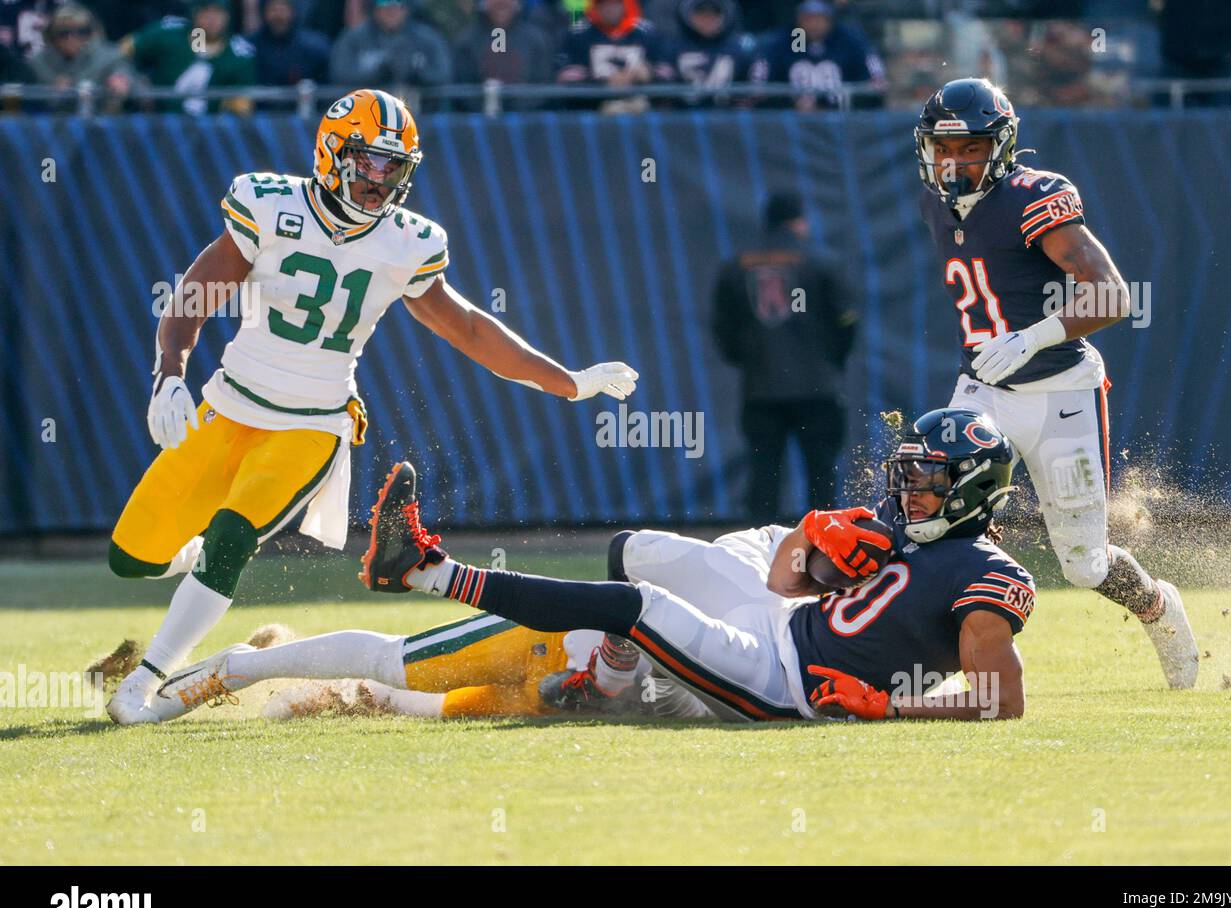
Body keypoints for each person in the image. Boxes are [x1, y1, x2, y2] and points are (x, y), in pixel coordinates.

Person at [104, 88, 639, 725]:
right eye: (369, 160)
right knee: (131, 559)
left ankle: (148, 679)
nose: (380, 179)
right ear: (332, 153)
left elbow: (469, 328)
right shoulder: (270, 206)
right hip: (229, 405)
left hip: (312, 423)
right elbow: (197, 290)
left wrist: (568, 382)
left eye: (394, 166)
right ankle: (181, 558)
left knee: (232, 537)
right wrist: (169, 375)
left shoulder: (406, 243)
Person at [146, 409, 1035, 725]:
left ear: (973, 492)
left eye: (926, 482)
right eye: (907, 477)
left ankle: (426, 573)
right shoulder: (900, 533)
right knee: (641, 552)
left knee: (633, 601)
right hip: (775, 627)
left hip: (785, 680)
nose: (907, 492)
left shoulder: (979, 577)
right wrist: (811, 548)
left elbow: (1003, 700)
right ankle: (605, 679)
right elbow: (784, 579)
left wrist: (888, 708)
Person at [913, 77, 1198, 689]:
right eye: (945, 146)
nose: (955, 161)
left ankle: (1157, 607)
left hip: (1060, 389)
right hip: (982, 393)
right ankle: (936, 668)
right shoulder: (934, 199)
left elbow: (1112, 294)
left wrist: (1032, 336)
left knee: (1084, 562)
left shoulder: (1031, 197)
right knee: (937, 528)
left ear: (1002, 147)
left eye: (971, 148)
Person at [712, 190, 858, 523]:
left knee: (763, 478)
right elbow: (848, 322)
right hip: (818, 389)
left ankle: (759, 550)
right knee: (822, 478)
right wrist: (831, 362)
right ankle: (823, 552)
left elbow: (722, 329)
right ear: (799, 222)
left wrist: (748, 360)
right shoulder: (822, 262)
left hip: (760, 389)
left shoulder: (735, 266)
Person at [121, 0, 257, 115]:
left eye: (218, 12)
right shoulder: (169, 32)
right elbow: (122, 50)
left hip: (211, 133)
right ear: (195, 12)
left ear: (228, 16)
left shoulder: (239, 53)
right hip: (159, 122)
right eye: (206, 11)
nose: (212, 19)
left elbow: (241, 109)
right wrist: (134, 78)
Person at [749, 0, 885, 110]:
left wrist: (840, 104)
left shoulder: (848, 40)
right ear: (798, 20)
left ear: (829, 20)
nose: (813, 25)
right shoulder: (792, 39)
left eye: (819, 19)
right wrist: (790, 104)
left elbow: (875, 81)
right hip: (793, 118)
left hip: (843, 119)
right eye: (808, 19)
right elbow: (761, 84)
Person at [555, 0, 674, 111]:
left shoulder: (648, 33)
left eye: (615, 3)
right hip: (592, 111)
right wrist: (604, 83)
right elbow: (565, 78)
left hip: (642, 109)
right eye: (604, 3)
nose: (609, 8)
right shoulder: (578, 34)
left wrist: (648, 73)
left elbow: (668, 73)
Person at [329, 0, 451, 90]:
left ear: (407, 8)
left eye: (399, 4)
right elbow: (339, 75)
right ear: (374, 8)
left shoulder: (428, 38)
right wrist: (378, 73)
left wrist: (418, 74)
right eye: (384, 3)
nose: (392, 10)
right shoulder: (354, 38)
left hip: (422, 113)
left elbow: (444, 75)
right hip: (366, 112)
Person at [26, 4, 137, 103]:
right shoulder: (37, 62)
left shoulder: (110, 56)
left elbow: (125, 72)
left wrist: (122, 79)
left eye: (81, 32)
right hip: (50, 122)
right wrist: (51, 92)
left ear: (92, 33)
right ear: (52, 36)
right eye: (64, 33)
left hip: (101, 120)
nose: (72, 38)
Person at [452, 0, 554, 89]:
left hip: (529, 111)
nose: (502, 1)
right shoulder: (466, 42)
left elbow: (543, 85)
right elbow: (461, 88)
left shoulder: (537, 41)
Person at [250, 0, 331, 89]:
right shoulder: (250, 46)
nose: (279, 16)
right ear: (264, 12)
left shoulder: (313, 48)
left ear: (293, 12)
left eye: (283, 9)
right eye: (273, 9)